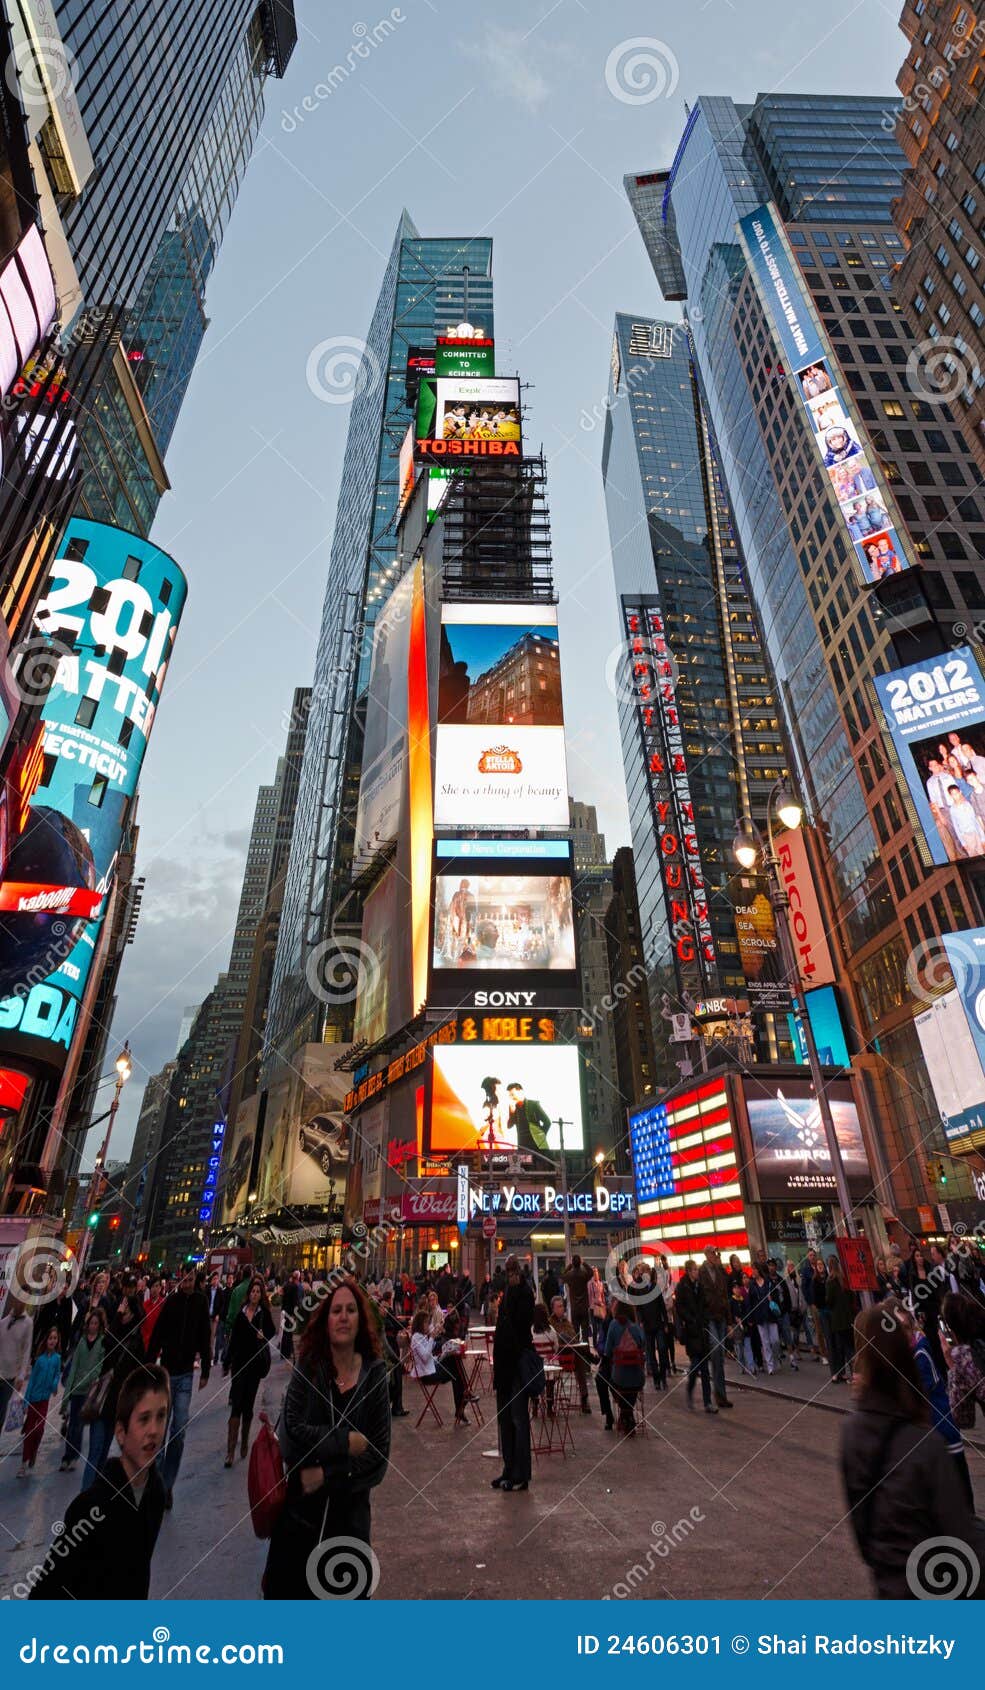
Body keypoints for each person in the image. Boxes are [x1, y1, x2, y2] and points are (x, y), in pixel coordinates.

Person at [841, 1305, 985, 1599]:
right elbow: (959, 1533)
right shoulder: (924, 1443)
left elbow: (863, 1535)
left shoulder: (852, 1434)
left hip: (890, 1588)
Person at [263, 1278, 390, 1599]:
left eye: (351, 1309)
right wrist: (346, 1443)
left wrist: (324, 1473)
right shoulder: (309, 1368)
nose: (344, 1316)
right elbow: (291, 1439)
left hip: (350, 1532)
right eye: (336, 1310)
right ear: (326, 1319)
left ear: (361, 1319)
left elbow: (377, 1457)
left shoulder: (374, 1374)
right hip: (299, 1528)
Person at [27, 1367, 171, 1601]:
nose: (154, 1431)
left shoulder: (155, 1492)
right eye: (144, 1419)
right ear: (121, 1433)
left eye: (161, 1416)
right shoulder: (90, 1507)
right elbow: (46, 1591)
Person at [146, 1265, 212, 1507]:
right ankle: (159, 1479)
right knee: (161, 1431)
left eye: (191, 1280)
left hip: (185, 1376)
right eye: (184, 1279)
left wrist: (205, 1368)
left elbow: (205, 1335)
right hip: (166, 1374)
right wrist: (149, 1363)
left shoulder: (200, 1302)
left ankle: (167, 1482)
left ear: (195, 1280)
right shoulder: (171, 1302)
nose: (187, 1284)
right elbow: (157, 1334)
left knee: (179, 1431)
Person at [85, 1286, 146, 1489]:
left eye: (125, 1308)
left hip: (118, 1404)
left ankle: (94, 1493)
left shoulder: (136, 1341)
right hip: (103, 1399)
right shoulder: (112, 1331)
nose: (121, 1310)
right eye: (121, 1306)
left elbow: (139, 1373)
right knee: (95, 1452)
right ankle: (86, 1497)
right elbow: (103, 1351)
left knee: (102, 1453)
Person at [491, 1255, 535, 1492]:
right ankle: (509, 1469)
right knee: (506, 1419)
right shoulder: (508, 1292)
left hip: (516, 1362)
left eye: (513, 1269)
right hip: (504, 1364)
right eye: (507, 1270)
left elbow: (520, 1326)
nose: (510, 1274)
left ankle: (521, 1473)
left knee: (518, 1418)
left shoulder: (524, 1293)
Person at [223, 1275, 275, 1467]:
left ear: (261, 1295)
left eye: (257, 1291)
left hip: (254, 1366)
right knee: (236, 1404)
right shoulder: (241, 1314)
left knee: (248, 1405)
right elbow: (234, 1340)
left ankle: (244, 1440)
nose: (254, 1294)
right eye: (252, 1291)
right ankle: (230, 1451)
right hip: (239, 1364)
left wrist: (264, 1336)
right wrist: (227, 1361)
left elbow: (272, 1331)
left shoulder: (264, 1314)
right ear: (249, 1294)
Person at [60, 1308, 106, 1472]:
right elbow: (74, 1367)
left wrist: (92, 1378)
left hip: (89, 1389)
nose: (93, 1326)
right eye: (91, 1323)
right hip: (77, 1388)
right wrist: (69, 1389)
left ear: (99, 1325)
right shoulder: (81, 1342)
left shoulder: (101, 1342)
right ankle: (66, 1456)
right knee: (72, 1424)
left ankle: (74, 1455)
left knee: (78, 1425)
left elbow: (100, 1365)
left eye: (95, 1323)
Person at [407, 1308, 470, 1423]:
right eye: (426, 1323)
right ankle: (463, 1400)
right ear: (420, 1323)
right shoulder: (416, 1338)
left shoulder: (421, 1336)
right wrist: (432, 1337)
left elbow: (432, 1353)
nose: (428, 1325)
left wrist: (443, 1351)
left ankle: (463, 1400)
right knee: (456, 1371)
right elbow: (425, 1357)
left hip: (431, 1367)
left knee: (453, 1360)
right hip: (427, 1375)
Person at [18, 1326, 61, 1476]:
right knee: (29, 1432)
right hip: (33, 1400)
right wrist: (25, 1401)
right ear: (46, 1340)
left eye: (55, 1338)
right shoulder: (39, 1360)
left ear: (57, 1341)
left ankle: (34, 1451)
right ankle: (24, 1462)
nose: (52, 1341)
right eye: (50, 1338)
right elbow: (31, 1382)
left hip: (44, 1401)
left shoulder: (57, 1359)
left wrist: (55, 1385)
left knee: (40, 1429)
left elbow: (57, 1374)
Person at [675, 1260, 716, 1412]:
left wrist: (704, 1319)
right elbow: (679, 1307)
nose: (696, 1272)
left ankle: (707, 1402)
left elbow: (705, 1304)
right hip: (692, 1331)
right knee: (695, 1365)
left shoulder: (699, 1286)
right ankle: (690, 1391)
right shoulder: (682, 1286)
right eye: (694, 1270)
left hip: (702, 1330)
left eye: (696, 1270)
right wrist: (690, 1320)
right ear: (688, 1271)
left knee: (705, 1368)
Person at [698, 1247, 733, 1409]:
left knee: (720, 1356)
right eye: (712, 1253)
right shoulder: (701, 1272)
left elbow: (726, 1293)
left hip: (721, 1315)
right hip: (709, 1317)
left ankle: (721, 1394)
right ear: (706, 1255)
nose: (714, 1256)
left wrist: (729, 1320)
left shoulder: (719, 1271)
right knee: (716, 1350)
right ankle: (717, 1393)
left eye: (715, 1253)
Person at [604, 1301, 646, 1435]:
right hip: (638, 1380)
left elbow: (607, 1351)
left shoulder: (613, 1325)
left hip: (619, 1379)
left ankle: (625, 1414)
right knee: (631, 1384)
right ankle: (628, 1416)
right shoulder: (636, 1327)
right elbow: (643, 1345)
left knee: (609, 1381)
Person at [548, 1295, 592, 1411]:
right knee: (566, 1339)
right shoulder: (550, 1323)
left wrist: (567, 1338)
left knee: (578, 1359)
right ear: (553, 1308)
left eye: (562, 1306)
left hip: (571, 1353)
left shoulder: (567, 1321)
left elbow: (574, 1337)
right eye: (559, 1307)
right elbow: (554, 1339)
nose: (561, 1309)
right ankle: (590, 1357)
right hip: (558, 1356)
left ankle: (584, 1397)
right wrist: (564, 1338)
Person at [0, 1297, 33, 1432]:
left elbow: (26, 1350)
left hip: (10, 1376)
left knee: (1, 1412)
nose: (20, 1303)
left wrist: (21, 1375)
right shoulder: (3, 1322)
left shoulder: (28, 1323)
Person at [745, 1262, 780, 1375]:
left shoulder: (768, 1282)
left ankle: (775, 1359)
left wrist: (772, 1298)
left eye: (754, 1269)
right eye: (752, 1270)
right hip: (759, 1316)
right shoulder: (752, 1285)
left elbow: (776, 1294)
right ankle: (770, 1365)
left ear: (759, 1270)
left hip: (770, 1314)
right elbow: (749, 1302)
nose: (753, 1272)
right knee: (765, 1342)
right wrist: (750, 1318)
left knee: (775, 1340)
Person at [505, 1081, 551, 1154]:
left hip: (537, 1144)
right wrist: (512, 1112)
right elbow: (509, 1126)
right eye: (509, 1095)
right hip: (523, 1145)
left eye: (512, 1094)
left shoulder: (533, 1104)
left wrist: (541, 1137)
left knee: (545, 1163)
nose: (511, 1097)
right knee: (525, 1165)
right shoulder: (513, 1108)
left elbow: (547, 1122)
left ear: (520, 1092)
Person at [561, 1253, 592, 1342]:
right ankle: (586, 1352)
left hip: (574, 1308)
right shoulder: (584, 1274)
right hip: (584, 1307)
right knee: (585, 1332)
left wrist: (570, 1265)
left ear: (573, 1263)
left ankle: (577, 1352)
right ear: (580, 1263)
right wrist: (584, 1263)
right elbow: (591, 1272)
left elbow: (563, 1276)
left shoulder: (570, 1275)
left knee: (575, 1332)